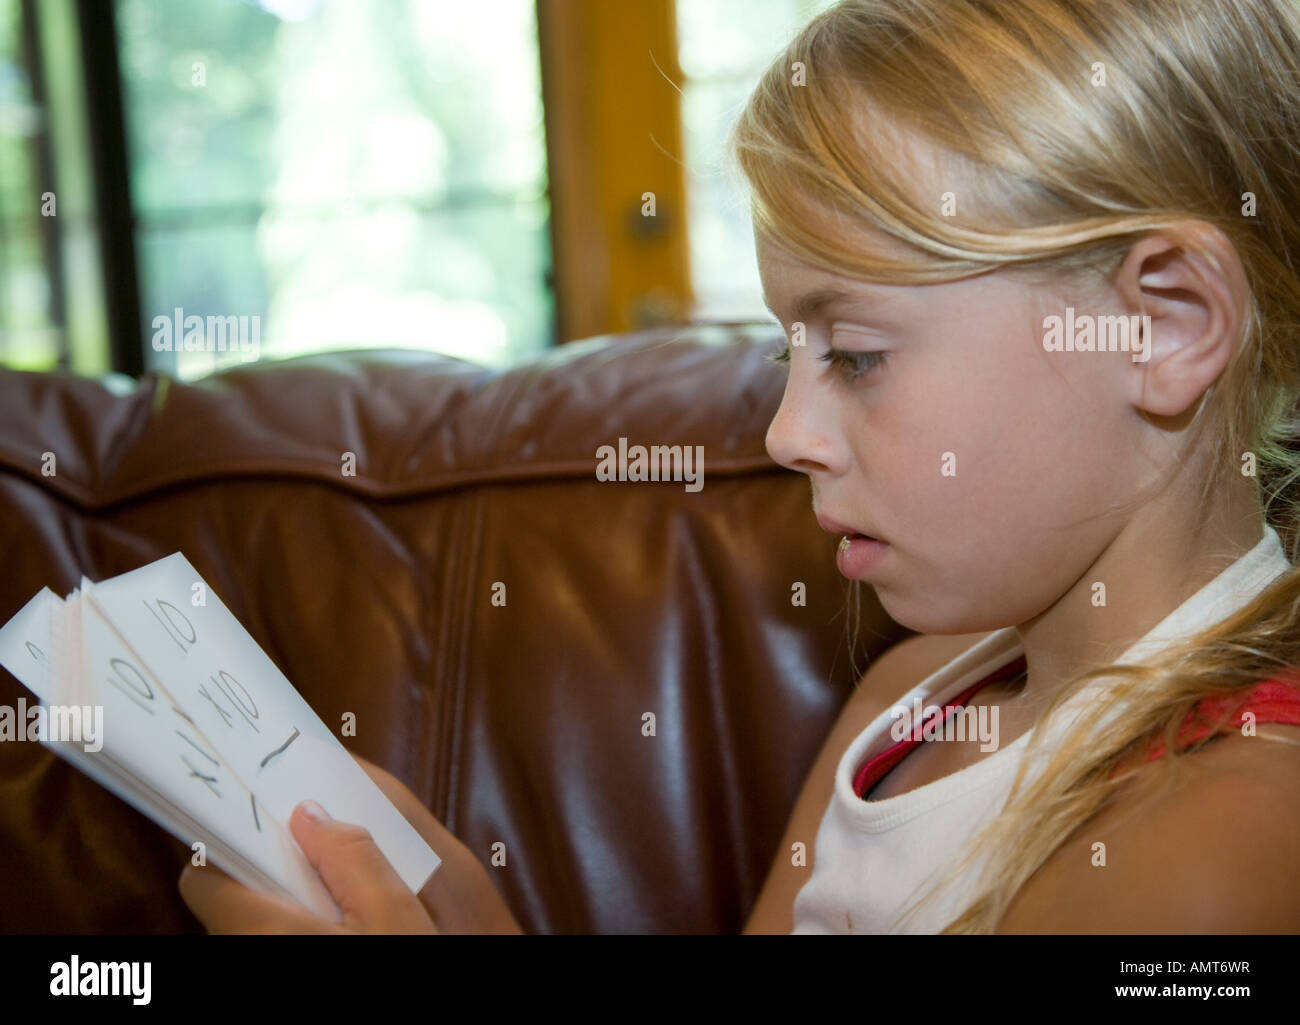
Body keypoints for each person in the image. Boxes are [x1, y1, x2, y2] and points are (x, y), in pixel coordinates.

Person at [180, 0, 1300, 934]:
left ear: (1160, 325)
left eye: (855, 355)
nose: (785, 430)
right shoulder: (909, 696)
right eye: (786, 351)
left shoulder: (1222, 846)